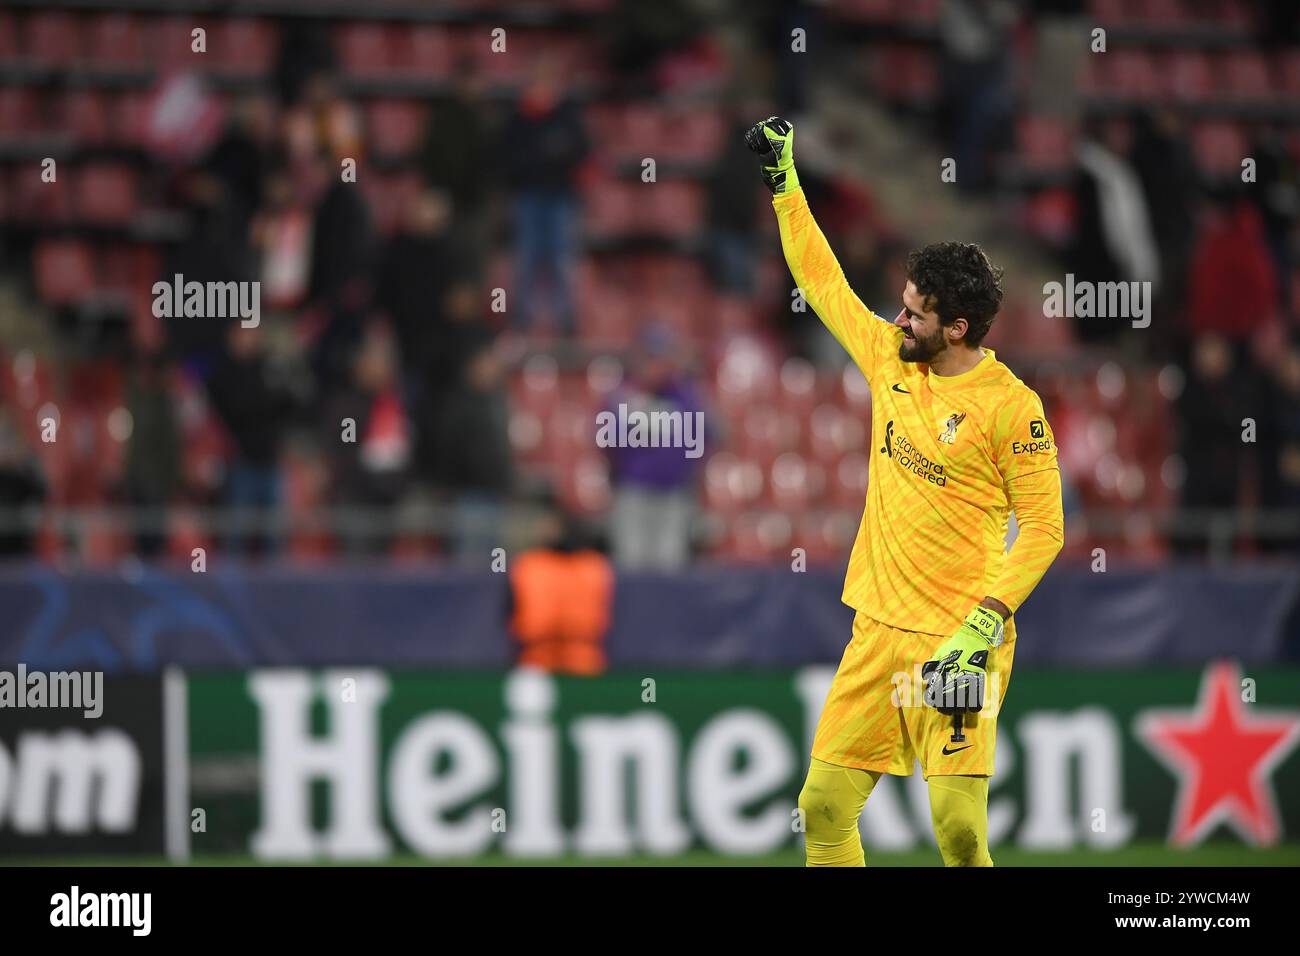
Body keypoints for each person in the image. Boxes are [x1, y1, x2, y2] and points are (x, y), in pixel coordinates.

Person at [747, 117, 1064, 866]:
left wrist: (983, 628)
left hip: (959, 644)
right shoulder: (891, 358)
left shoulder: (1013, 408)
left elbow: (1045, 529)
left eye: (916, 312)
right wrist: (784, 184)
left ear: (957, 328)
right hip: (877, 632)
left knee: (957, 831)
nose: (899, 318)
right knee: (822, 806)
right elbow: (820, 279)